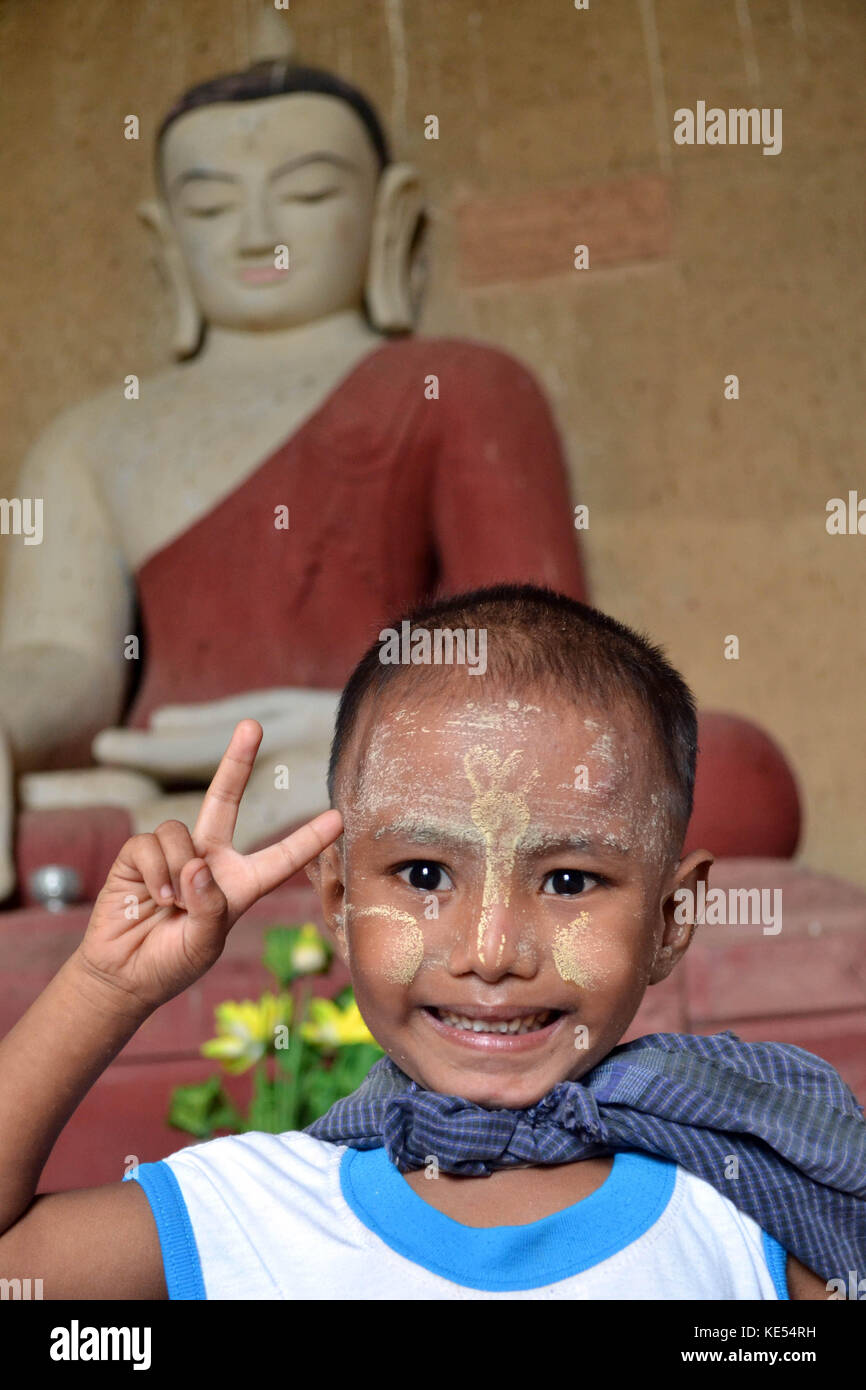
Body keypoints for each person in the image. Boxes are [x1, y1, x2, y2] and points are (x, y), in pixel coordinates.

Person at [0, 585, 854, 1299]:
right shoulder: (241, 1215)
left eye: (566, 882)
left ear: (670, 921)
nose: (490, 951)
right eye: (422, 876)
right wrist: (106, 987)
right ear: (336, 899)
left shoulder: (753, 1218)